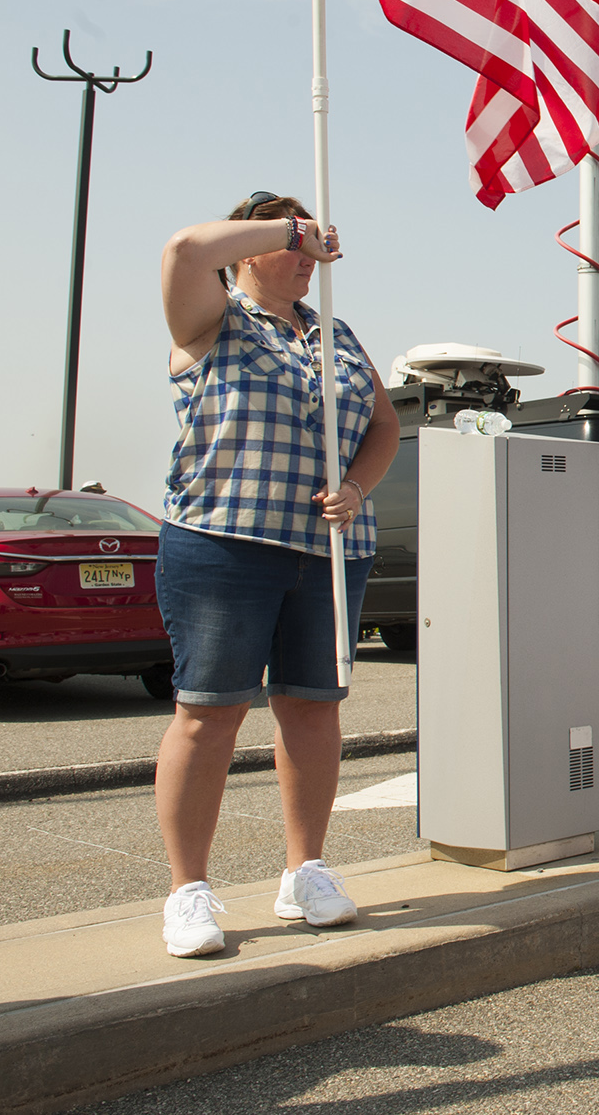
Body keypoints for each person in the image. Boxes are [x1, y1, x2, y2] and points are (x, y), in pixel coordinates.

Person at [154, 192, 398, 958]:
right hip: (226, 540)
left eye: (308, 239)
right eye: (286, 239)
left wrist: (357, 487)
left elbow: (384, 425)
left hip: (326, 552)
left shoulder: (337, 333)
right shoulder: (212, 318)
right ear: (249, 249)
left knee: (313, 707)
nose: (304, 253)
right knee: (211, 711)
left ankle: (305, 870)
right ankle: (188, 889)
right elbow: (183, 250)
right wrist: (291, 225)